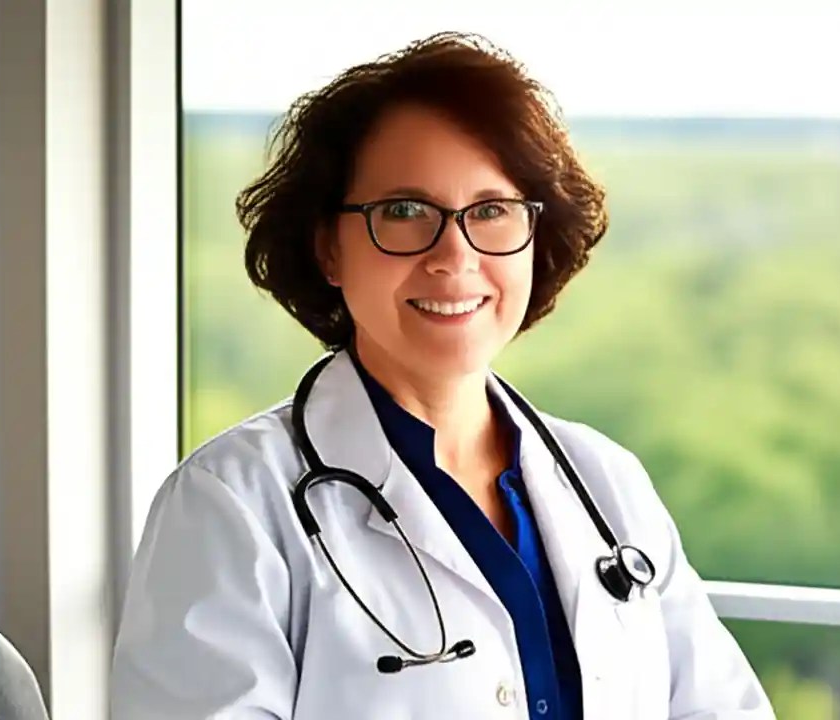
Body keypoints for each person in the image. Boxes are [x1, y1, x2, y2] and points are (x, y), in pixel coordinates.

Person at [110, 31, 773, 719]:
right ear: (328, 249)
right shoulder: (232, 506)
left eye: (490, 211)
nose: (454, 255)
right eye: (403, 211)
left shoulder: (608, 486)